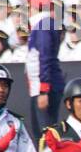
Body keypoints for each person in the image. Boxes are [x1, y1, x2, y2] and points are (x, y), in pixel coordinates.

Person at [26, 12, 66, 140]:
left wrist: (43, 90)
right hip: (38, 87)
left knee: (46, 135)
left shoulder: (44, 25)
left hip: (45, 88)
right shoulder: (41, 25)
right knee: (40, 133)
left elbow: (45, 56)